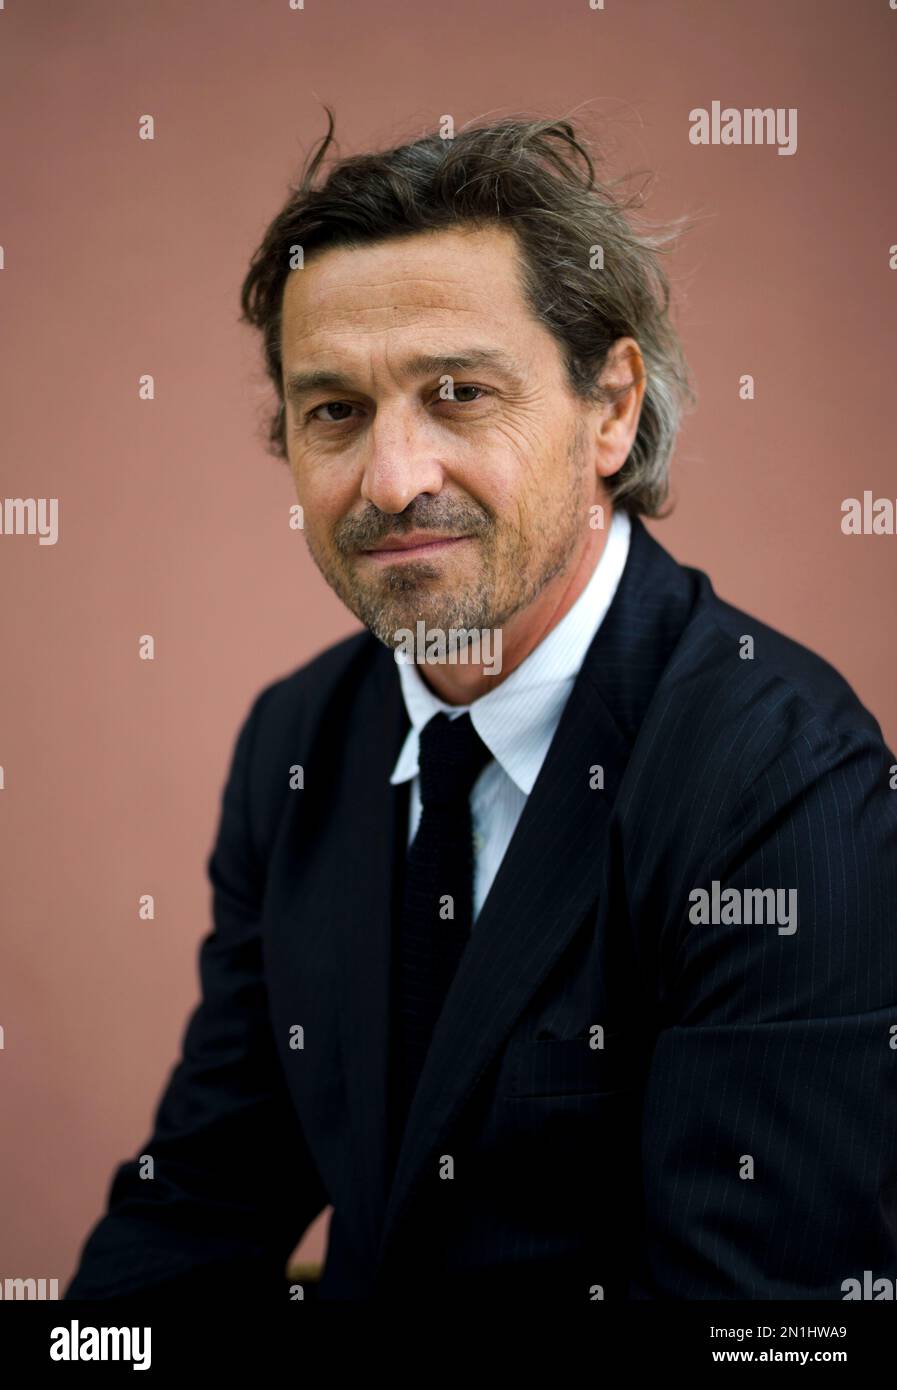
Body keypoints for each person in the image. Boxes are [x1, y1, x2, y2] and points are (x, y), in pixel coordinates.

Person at [65, 113, 897, 1302]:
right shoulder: (299, 743)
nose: (393, 479)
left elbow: (759, 1324)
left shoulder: (781, 783)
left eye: (458, 392)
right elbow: (205, 1192)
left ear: (612, 409)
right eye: (334, 412)